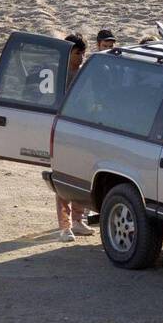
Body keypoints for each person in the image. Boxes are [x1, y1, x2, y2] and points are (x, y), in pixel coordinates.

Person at [56, 33, 94, 242]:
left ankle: (78, 220)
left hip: (82, 129)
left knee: (81, 176)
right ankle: (65, 226)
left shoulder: (84, 74)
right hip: (63, 130)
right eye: (77, 53)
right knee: (63, 179)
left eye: (83, 53)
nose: (81, 57)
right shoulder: (58, 74)